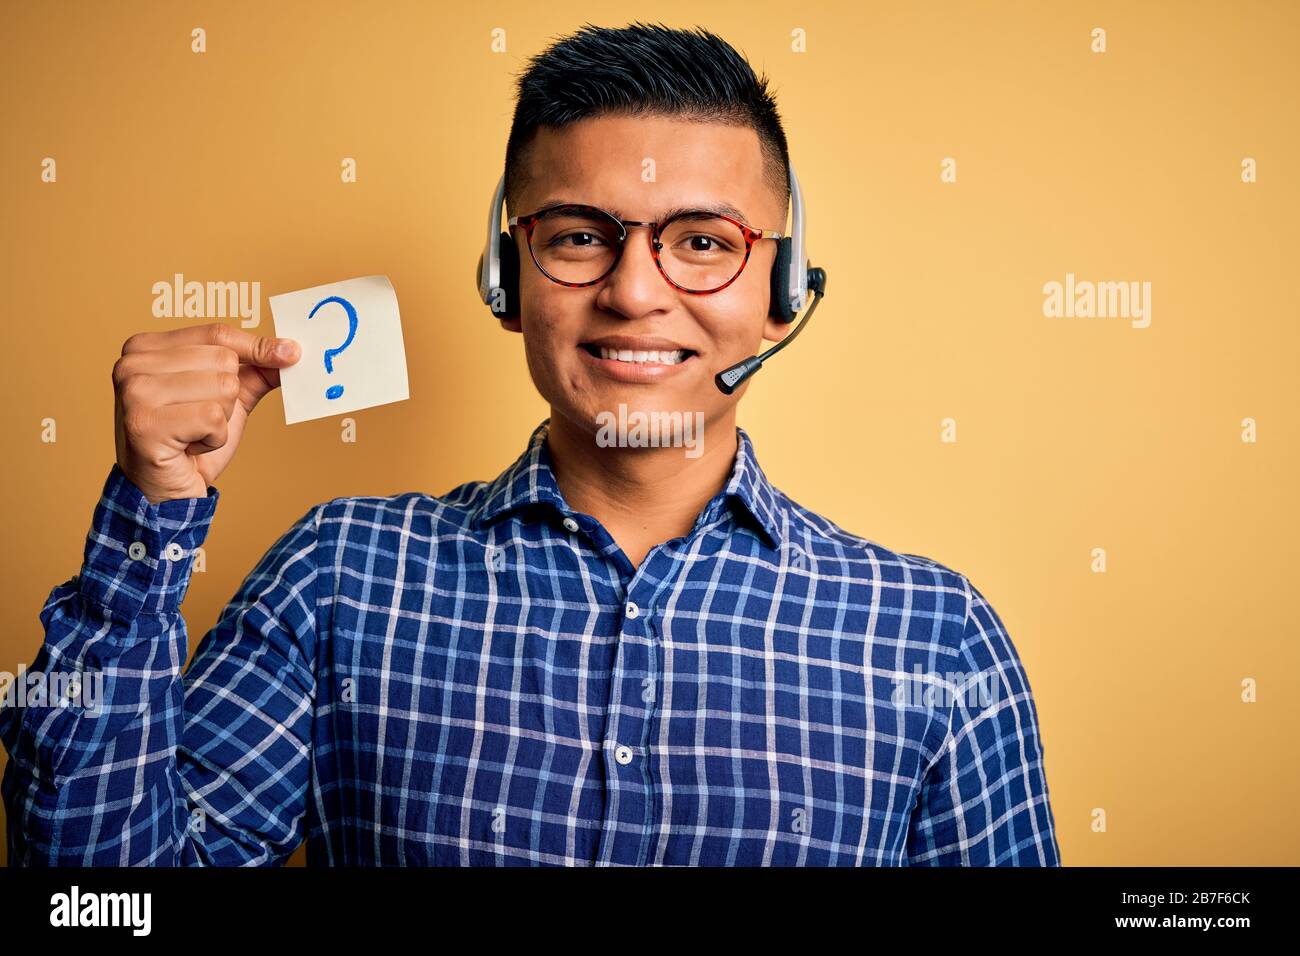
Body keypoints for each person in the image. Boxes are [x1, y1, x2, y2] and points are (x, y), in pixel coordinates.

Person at [0, 21, 1060, 866]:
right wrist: (153, 512)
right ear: (507, 282)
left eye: (702, 242)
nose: (636, 291)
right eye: (578, 236)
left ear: (783, 294)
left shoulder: (938, 639)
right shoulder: (337, 578)